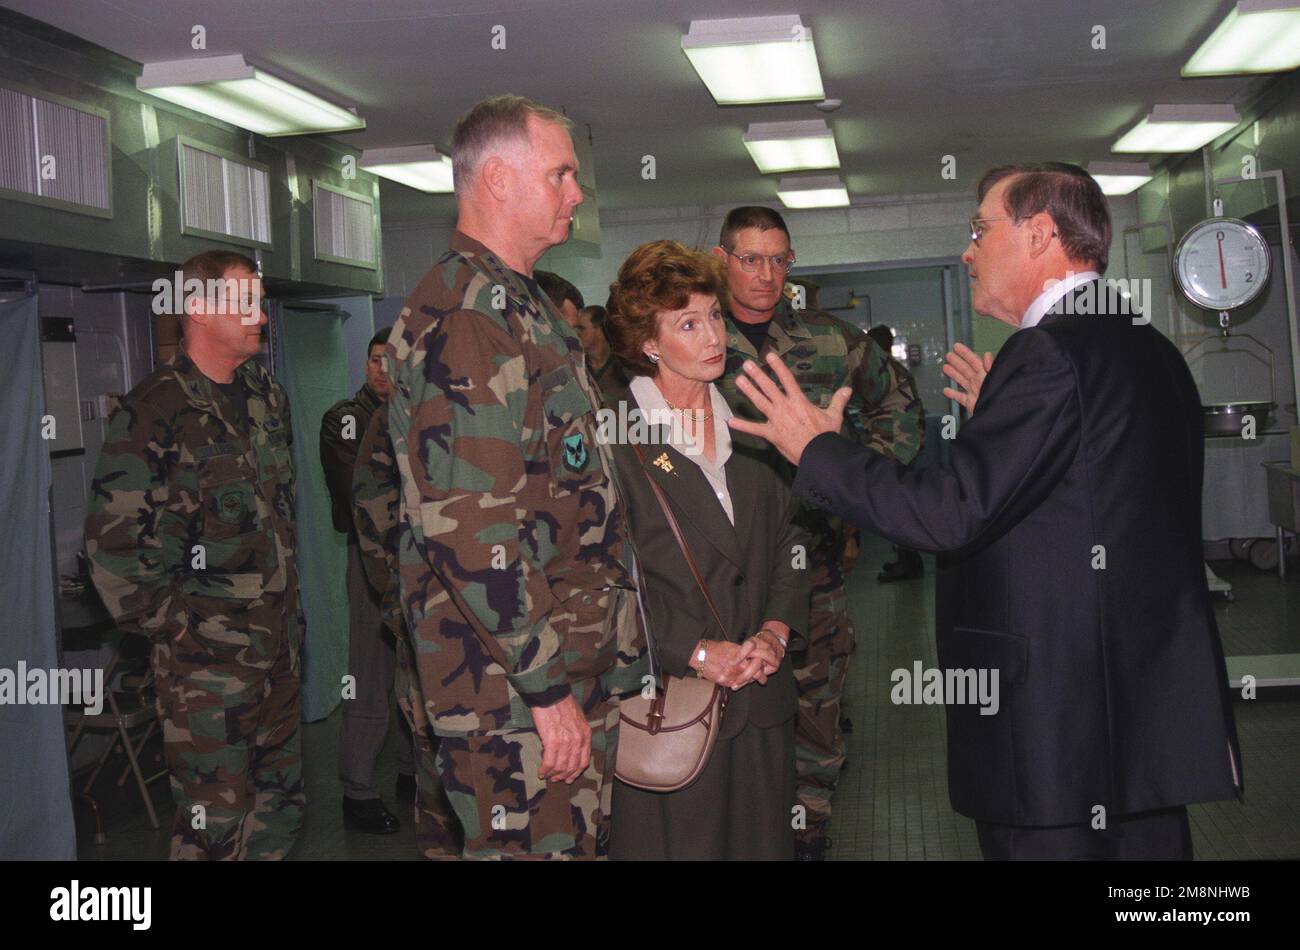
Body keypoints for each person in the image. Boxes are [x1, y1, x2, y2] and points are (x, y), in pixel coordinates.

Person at [729, 162, 1243, 861]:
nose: (968, 251)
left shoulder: (1049, 355)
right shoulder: (1143, 345)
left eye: (980, 230)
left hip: (1056, 731)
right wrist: (1006, 425)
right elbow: (1091, 494)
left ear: (1039, 236)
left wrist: (819, 448)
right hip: (1133, 717)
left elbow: (948, 515)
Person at [384, 94, 648, 860]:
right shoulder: (472, 318)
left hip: (555, 669)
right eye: (561, 174)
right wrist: (547, 687)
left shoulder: (521, 307)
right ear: (498, 179)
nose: (576, 193)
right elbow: (470, 531)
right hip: (508, 692)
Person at [711, 206, 926, 859]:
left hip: (810, 563)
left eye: (780, 260)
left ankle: (809, 833)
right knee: (718, 711)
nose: (767, 275)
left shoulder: (830, 341)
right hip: (711, 568)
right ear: (722, 262)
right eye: (751, 259)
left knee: (815, 703)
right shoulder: (694, 340)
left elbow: (900, 407)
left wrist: (854, 487)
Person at [84, 250, 305, 860]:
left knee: (278, 814)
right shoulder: (154, 411)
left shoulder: (266, 398)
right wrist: (185, 633)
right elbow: (113, 554)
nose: (262, 313)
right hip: (208, 677)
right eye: (247, 301)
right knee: (213, 826)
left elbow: (279, 525)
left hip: (279, 658)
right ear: (200, 309)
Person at [604, 240, 809, 861]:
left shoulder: (753, 422)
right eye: (688, 323)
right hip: (671, 702)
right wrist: (693, 650)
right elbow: (599, 581)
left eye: (715, 316)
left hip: (759, 695)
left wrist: (775, 630)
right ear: (648, 341)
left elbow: (788, 540)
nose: (713, 335)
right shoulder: (617, 440)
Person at [352, 403, 464, 858]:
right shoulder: (405, 399)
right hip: (432, 615)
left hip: (525, 624)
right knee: (438, 761)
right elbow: (370, 499)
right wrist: (399, 592)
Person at [319, 328, 415, 834]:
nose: (382, 370)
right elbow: (363, 492)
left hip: (416, 560)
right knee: (370, 672)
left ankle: (409, 772)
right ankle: (358, 790)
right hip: (371, 558)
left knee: (415, 674)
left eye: (390, 361)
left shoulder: (412, 414)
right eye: (375, 360)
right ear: (365, 366)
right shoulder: (347, 420)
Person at [865, 324, 925, 583]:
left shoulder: (883, 370)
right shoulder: (891, 368)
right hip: (902, 445)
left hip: (899, 446)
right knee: (898, 505)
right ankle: (906, 560)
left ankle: (910, 564)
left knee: (898, 508)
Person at [577, 305, 631, 395]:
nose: (576, 333)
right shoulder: (578, 368)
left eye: (581, 328)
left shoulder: (625, 366)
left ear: (599, 331)